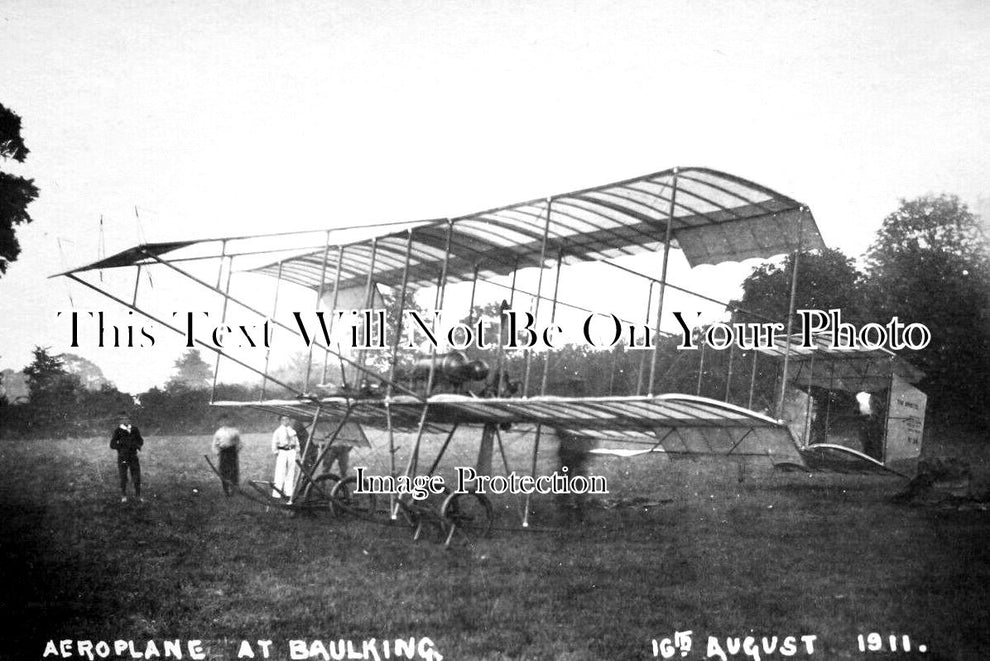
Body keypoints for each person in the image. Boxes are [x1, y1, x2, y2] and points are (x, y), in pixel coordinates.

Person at [110, 412, 144, 503]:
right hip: (123, 457)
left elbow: (141, 441)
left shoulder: (135, 429)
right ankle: (124, 495)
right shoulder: (118, 430)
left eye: (127, 418)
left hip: (133, 456)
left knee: (136, 476)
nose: (125, 420)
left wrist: (136, 445)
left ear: (130, 419)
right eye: (123, 419)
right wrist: (121, 447)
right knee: (123, 477)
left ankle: (138, 496)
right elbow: (112, 444)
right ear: (120, 420)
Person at [271, 415, 299, 501]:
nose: (285, 421)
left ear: (289, 420)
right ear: (280, 421)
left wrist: (297, 450)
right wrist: (276, 452)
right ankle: (276, 494)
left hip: (291, 452)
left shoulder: (292, 431)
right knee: (280, 472)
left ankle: (289, 493)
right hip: (282, 452)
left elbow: (296, 442)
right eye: (283, 419)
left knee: (290, 472)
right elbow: (274, 442)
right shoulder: (278, 431)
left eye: (287, 419)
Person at [212, 414, 241, 496]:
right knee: (223, 471)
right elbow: (214, 444)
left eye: (226, 420)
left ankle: (234, 490)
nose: (224, 422)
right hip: (223, 453)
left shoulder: (234, 431)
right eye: (222, 420)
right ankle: (226, 490)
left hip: (232, 452)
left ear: (229, 421)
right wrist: (218, 452)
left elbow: (239, 443)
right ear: (220, 422)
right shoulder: (218, 432)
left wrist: (236, 451)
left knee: (233, 471)